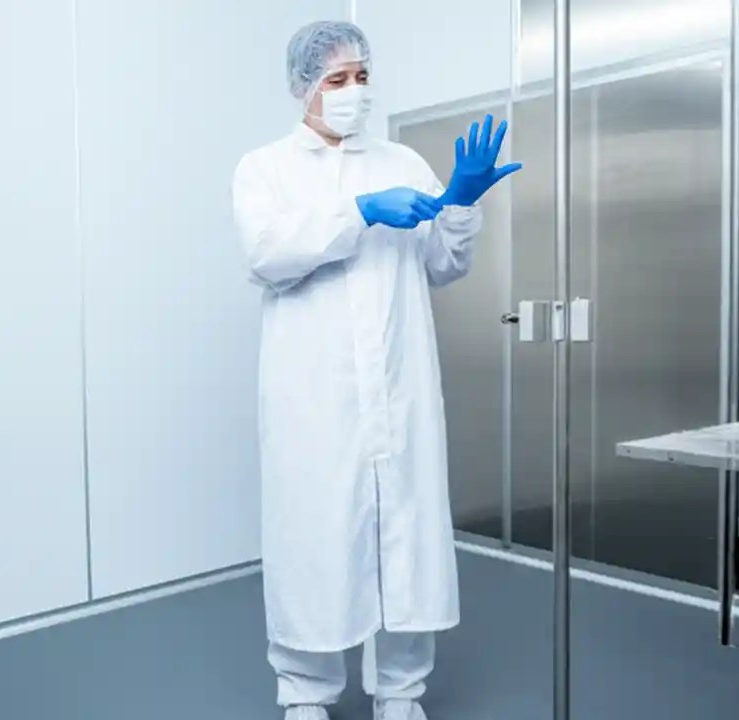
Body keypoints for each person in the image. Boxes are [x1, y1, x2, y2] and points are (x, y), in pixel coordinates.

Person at [231, 20, 521, 720]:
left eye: (361, 75)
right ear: (303, 88)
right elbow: (267, 254)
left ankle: (400, 692)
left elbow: (444, 267)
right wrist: (358, 211)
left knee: (406, 535)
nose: (352, 90)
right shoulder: (264, 169)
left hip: (399, 387)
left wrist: (460, 204)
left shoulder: (402, 161)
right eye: (336, 79)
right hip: (314, 396)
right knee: (314, 536)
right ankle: (305, 695)